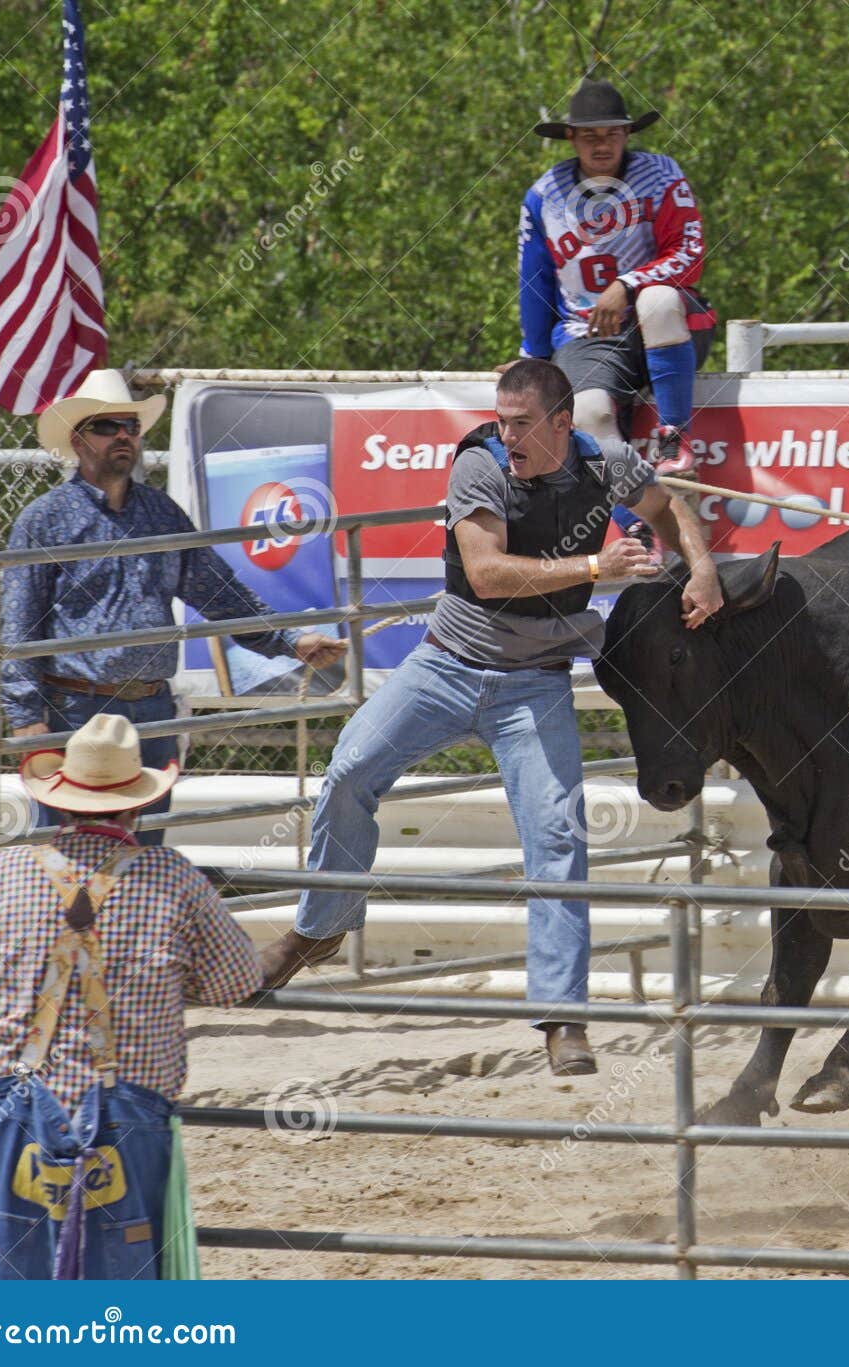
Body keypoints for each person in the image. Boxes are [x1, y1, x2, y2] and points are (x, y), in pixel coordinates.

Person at [255, 359, 724, 1076]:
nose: (506, 436)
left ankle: (564, 1018)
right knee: (349, 769)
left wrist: (702, 569)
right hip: (444, 667)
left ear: (563, 424)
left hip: (533, 686)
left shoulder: (610, 462)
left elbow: (670, 508)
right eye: (501, 420)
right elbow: (487, 574)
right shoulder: (479, 463)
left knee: (558, 837)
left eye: (520, 424)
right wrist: (595, 569)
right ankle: (316, 931)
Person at [0, 715, 262, 1279]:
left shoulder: (5, 872)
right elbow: (237, 981)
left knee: (9, 1287)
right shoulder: (173, 877)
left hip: (16, 1111)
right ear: (138, 807)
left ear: (60, 801)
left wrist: (10, 970)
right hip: (130, 1113)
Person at [2, 368, 347, 843]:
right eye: (107, 427)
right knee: (67, 852)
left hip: (152, 708)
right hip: (74, 709)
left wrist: (290, 640)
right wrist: (28, 720)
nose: (123, 436)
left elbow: (219, 594)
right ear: (78, 441)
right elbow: (19, 628)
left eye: (131, 427)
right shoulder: (44, 521)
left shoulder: (162, 513)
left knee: (144, 850)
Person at [518, 78, 714, 476]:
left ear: (627, 133)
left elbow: (690, 253)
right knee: (587, 414)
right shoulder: (544, 195)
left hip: (667, 328)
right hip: (586, 333)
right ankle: (638, 519)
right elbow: (534, 280)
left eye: (612, 134)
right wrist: (533, 358)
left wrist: (627, 285)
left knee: (655, 300)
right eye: (589, 136)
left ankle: (674, 440)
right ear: (570, 138)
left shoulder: (660, 175)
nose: (601, 145)